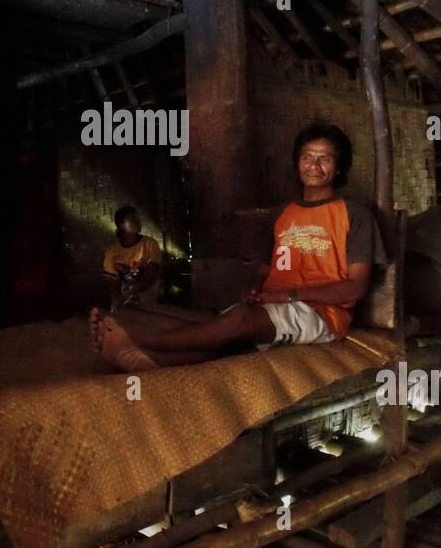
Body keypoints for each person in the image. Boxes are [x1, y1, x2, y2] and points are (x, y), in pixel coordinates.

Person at [90, 122, 383, 372]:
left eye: (325, 159)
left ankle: (138, 342)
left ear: (340, 166)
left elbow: (354, 288)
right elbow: (265, 269)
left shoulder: (354, 214)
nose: (314, 166)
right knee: (225, 336)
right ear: (297, 162)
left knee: (239, 320)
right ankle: (144, 360)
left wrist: (290, 294)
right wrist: (255, 287)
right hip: (273, 304)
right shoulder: (282, 214)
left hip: (321, 313)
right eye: (307, 156)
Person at [102, 205, 162, 311]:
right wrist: (119, 299)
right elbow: (111, 280)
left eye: (138, 219)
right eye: (133, 220)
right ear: (121, 225)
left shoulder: (150, 244)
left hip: (147, 305)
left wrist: (130, 294)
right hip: (122, 305)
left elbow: (151, 275)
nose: (139, 223)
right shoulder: (112, 251)